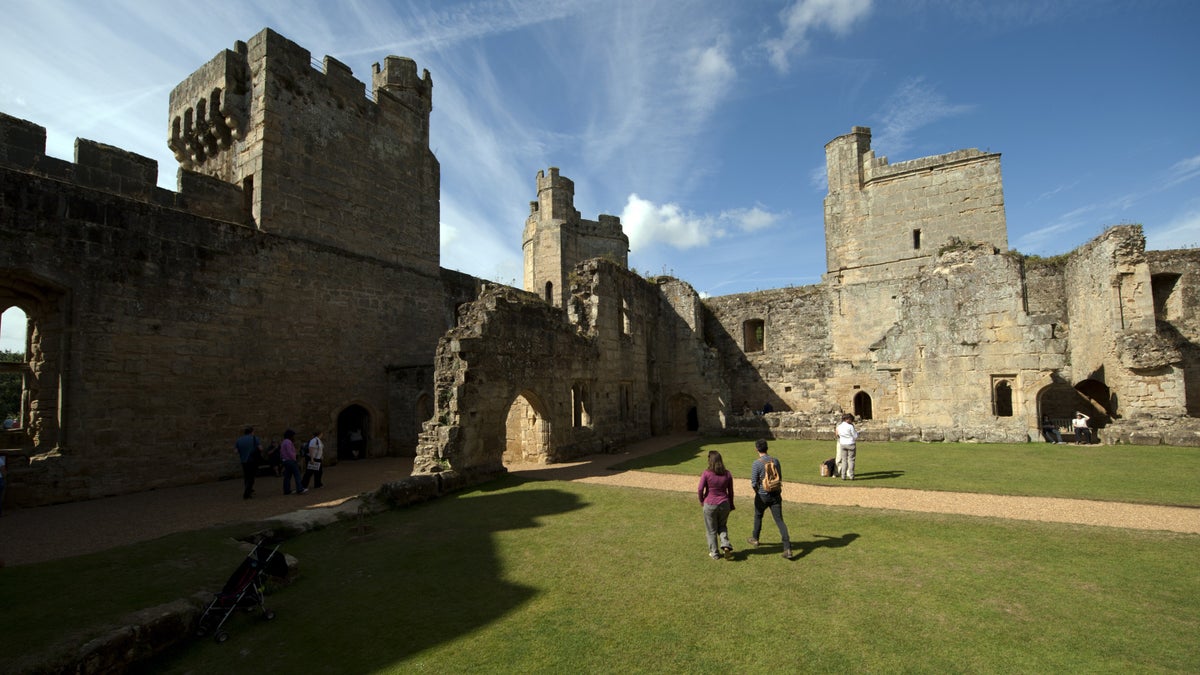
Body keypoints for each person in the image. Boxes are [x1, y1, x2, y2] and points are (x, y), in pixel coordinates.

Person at [747, 439, 791, 559]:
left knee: (758, 516)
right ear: (767, 448)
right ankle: (787, 548)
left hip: (762, 495)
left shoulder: (756, 463)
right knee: (779, 521)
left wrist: (758, 492)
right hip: (776, 495)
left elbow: (753, 483)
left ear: (757, 449)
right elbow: (779, 477)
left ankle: (755, 538)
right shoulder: (775, 461)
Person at [698, 450, 735, 560]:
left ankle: (714, 553)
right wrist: (731, 504)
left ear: (710, 461)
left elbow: (700, 489)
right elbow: (731, 492)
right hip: (724, 504)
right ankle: (725, 545)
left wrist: (701, 501)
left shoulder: (706, 473)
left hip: (710, 504)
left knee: (711, 530)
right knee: (722, 526)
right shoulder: (727, 474)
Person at [234, 426, 262, 500]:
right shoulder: (255, 438)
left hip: (243, 461)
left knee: (246, 476)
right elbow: (260, 448)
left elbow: (235, 451)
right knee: (251, 477)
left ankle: (249, 489)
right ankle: (247, 493)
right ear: (252, 432)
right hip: (251, 460)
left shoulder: (239, 440)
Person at [279, 429, 307, 495]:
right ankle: (300, 489)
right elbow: (290, 452)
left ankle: (287, 490)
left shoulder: (283, 442)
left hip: (285, 460)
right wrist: (294, 458)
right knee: (297, 474)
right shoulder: (288, 442)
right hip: (290, 460)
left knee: (287, 476)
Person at [836, 413, 859, 480]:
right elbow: (855, 436)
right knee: (851, 460)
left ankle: (843, 475)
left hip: (843, 444)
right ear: (847, 419)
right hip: (850, 443)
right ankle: (851, 475)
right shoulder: (850, 426)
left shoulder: (839, 426)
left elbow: (838, 434)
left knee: (844, 460)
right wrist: (857, 433)